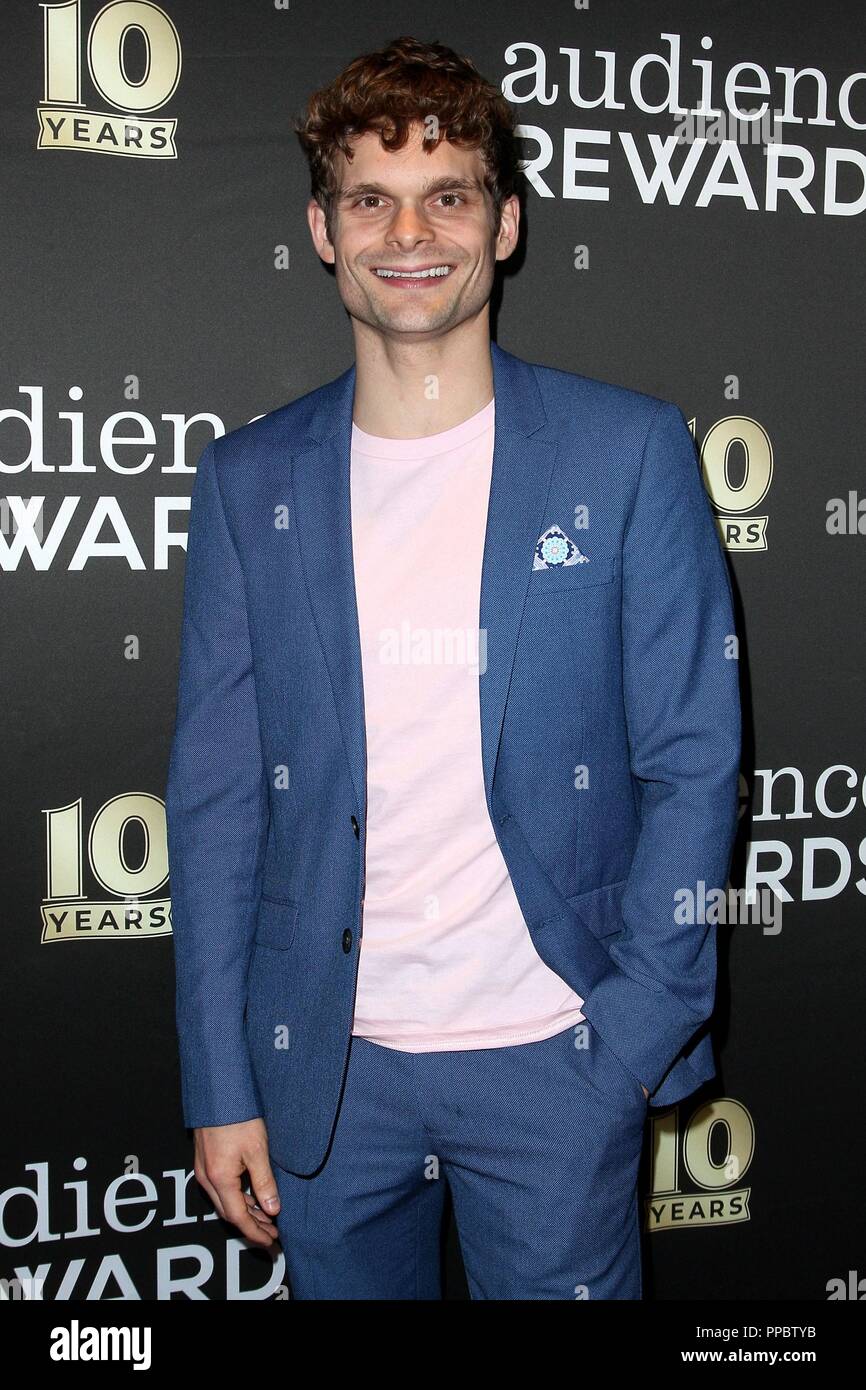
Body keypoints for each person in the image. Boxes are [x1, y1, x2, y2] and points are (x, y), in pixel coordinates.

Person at [165, 35, 741, 1300]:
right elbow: (211, 804)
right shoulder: (246, 482)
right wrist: (222, 1078)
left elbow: (692, 758)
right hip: (326, 1069)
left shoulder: (626, 451)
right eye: (369, 197)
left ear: (507, 222)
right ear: (323, 230)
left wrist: (631, 1041)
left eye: (448, 194)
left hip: (554, 1054)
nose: (407, 230)